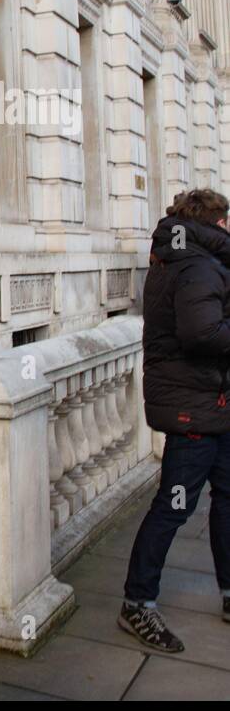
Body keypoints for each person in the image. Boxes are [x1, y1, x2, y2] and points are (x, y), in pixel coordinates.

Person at [120, 188, 230, 651]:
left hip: (212, 404)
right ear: (216, 222)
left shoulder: (179, 257)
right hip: (194, 409)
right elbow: (203, 332)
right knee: (174, 506)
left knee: (226, 497)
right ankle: (136, 603)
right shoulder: (196, 265)